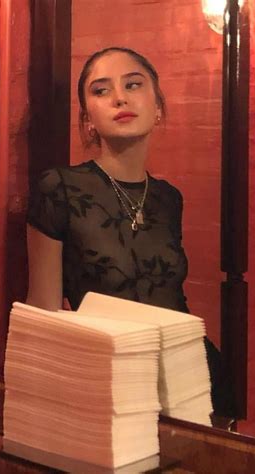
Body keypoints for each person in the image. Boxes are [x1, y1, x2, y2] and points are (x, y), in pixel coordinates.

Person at [26, 46, 189, 315]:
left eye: (133, 85)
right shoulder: (60, 188)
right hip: (97, 343)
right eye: (101, 90)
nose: (120, 98)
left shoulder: (168, 198)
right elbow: (42, 311)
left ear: (158, 106)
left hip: (180, 341)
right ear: (88, 118)